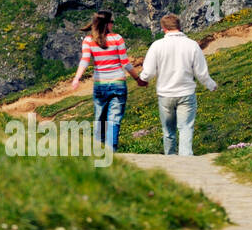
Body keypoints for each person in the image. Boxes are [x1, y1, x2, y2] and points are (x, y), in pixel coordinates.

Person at [140, 13, 218, 156]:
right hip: (186, 93)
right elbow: (201, 72)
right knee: (186, 128)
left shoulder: (157, 46)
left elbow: (149, 72)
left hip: (165, 94)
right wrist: (211, 85)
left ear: (164, 28)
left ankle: (170, 159)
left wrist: (142, 79)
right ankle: (186, 159)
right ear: (179, 26)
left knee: (168, 131)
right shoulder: (192, 45)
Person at [69, 10, 144, 151]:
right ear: (108, 24)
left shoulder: (88, 40)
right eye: (112, 22)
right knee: (113, 120)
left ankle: (99, 151)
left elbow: (85, 60)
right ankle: (111, 152)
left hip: (100, 85)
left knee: (99, 119)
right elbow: (126, 63)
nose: (113, 25)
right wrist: (137, 79)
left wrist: (77, 78)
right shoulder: (117, 39)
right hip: (118, 83)